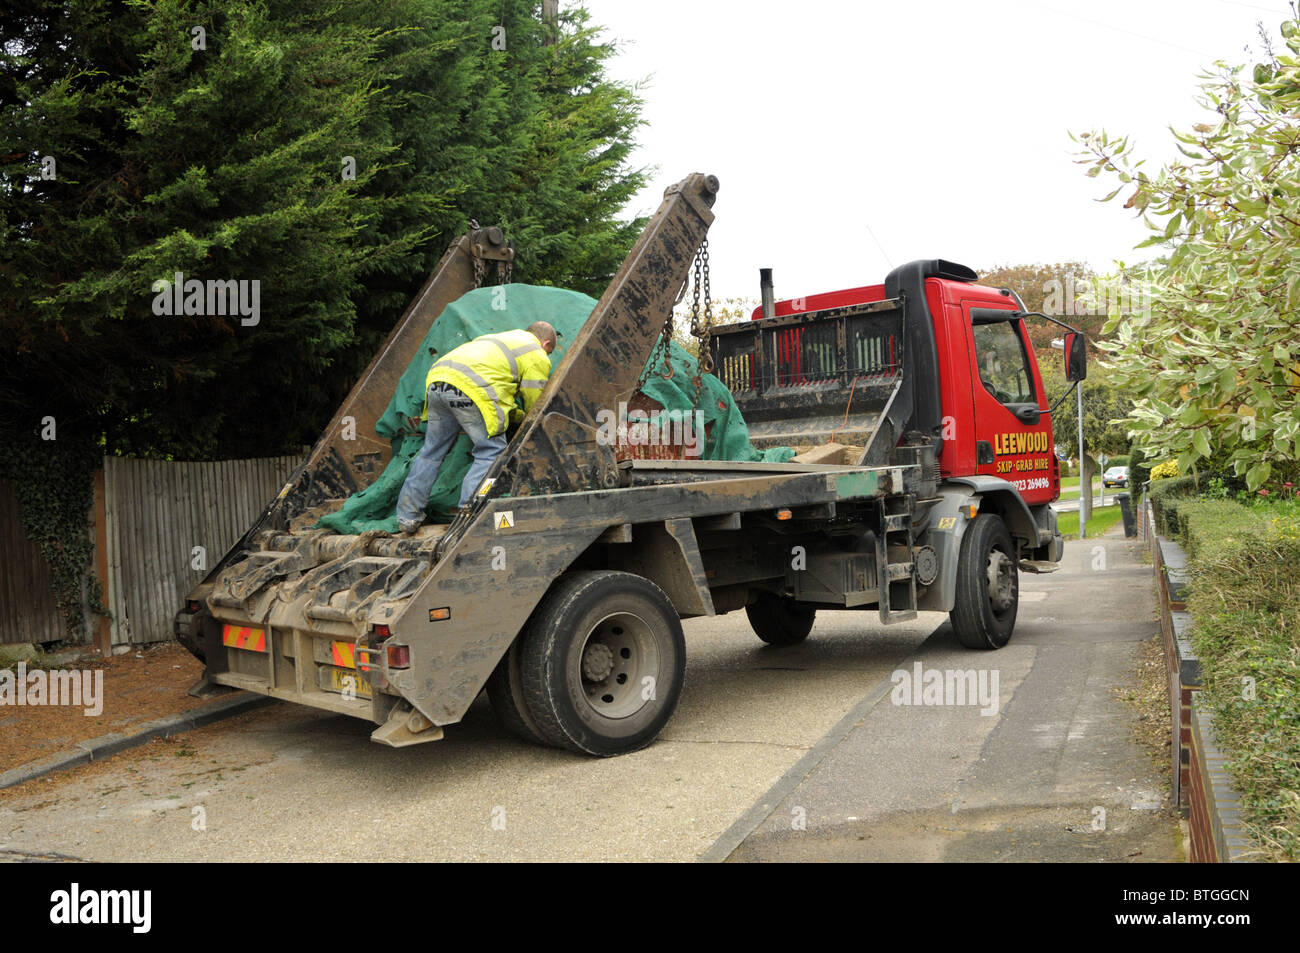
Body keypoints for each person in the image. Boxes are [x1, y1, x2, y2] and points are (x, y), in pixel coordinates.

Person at [395, 321, 557, 533]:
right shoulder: (535, 352)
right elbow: (535, 401)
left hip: (438, 381)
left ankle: (407, 517)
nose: (547, 356)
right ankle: (468, 516)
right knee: (490, 451)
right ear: (545, 343)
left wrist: (515, 415)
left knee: (431, 453)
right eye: (549, 351)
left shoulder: (500, 338)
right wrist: (533, 420)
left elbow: (500, 394)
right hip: (471, 388)